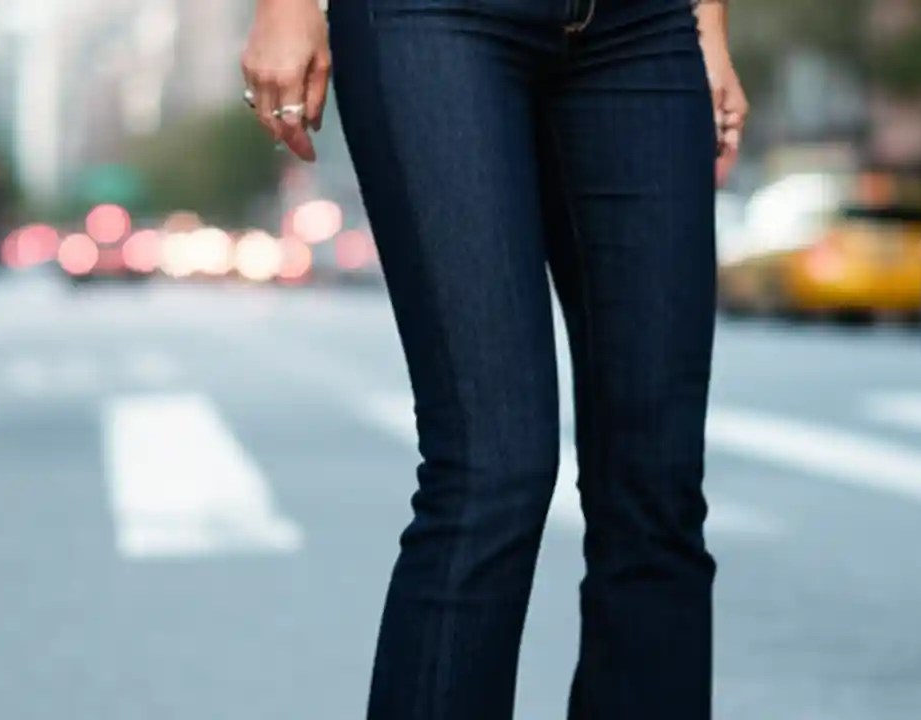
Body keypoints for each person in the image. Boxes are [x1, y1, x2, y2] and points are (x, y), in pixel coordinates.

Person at [242, 0, 748, 716]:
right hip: (432, 19)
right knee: (492, 466)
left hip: (647, 26)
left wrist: (712, 25)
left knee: (657, 486)